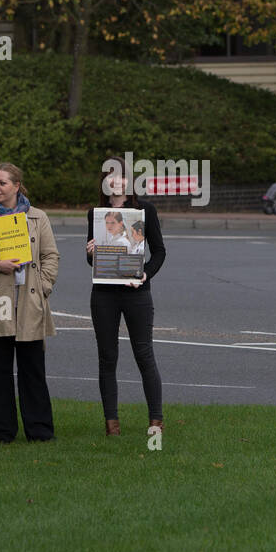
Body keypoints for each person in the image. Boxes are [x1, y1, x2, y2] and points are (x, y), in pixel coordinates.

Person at [0, 163, 59, 443]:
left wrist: (43, 286)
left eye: (2, 183)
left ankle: (40, 431)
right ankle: (1, 431)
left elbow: (50, 256)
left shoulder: (37, 217)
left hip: (29, 299)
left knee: (33, 370)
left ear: (17, 186)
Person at [85, 157, 166, 437]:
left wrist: (145, 274)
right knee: (107, 357)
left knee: (144, 354)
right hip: (104, 294)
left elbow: (159, 252)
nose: (115, 181)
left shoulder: (145, 210)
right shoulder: (95, 213)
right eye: (109, 176)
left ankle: (156, 420)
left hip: (136, 292)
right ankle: (112, 424)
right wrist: (91, 252)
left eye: (120, 176)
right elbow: (91, 259)